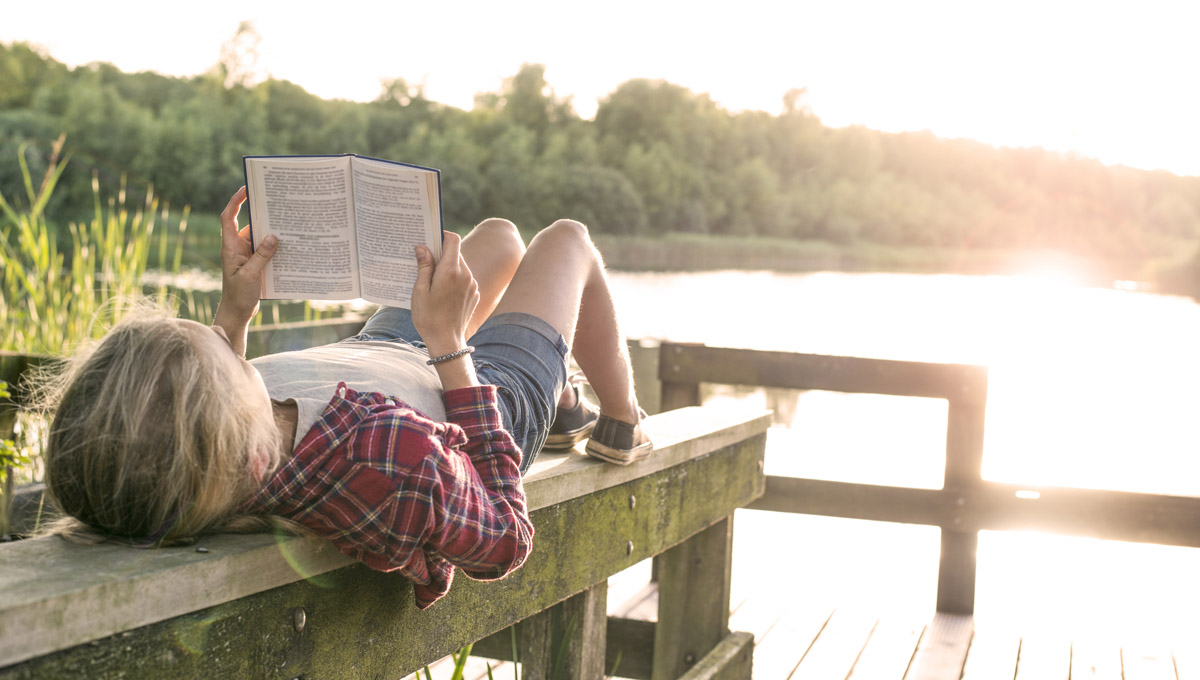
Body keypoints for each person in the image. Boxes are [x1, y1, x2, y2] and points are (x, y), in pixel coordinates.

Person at [41, 187, 651, 608]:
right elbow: (505, 538)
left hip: (380, 354)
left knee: (494, 239)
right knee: (567, 240)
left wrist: (236, 311)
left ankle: (565, 393)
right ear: (250, 447)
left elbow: (210, 411)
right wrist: (446, 343)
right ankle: (619, 419)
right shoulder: (387, 459)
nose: (226, 343)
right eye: (225, 352)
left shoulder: (220, 452)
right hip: (470, 387)